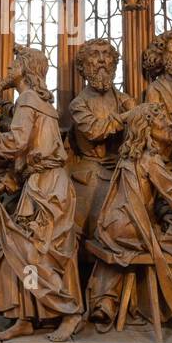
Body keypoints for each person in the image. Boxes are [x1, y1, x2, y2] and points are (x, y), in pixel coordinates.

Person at [0, 44, 83, 342]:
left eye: (14, 64)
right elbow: (30, 156)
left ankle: (70, 312)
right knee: (17, 250)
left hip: (47, 188)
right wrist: (4, 184)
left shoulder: (27, 99)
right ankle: (24, 316)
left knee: (37, 254)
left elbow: (16, 144)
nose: (9, 68)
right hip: (41, 184)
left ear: (25, 68)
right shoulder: (35, 101)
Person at [85, 103, 172, 330]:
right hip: (131, 230)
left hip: (111, 228)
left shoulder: (129, 155)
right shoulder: (150, 159)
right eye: (162, 120)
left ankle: (106, 301)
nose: (170, 124)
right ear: (148, 128)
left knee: (167, 232)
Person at [66, 39, 133, 237]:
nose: (102, 60)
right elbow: (95, 131)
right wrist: (128, 115)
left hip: (121, 167)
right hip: (90, 170)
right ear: (83, 65)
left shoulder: (123, 99)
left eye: (107, 55)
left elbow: (138, 132)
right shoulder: (78, 104)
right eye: (95, 55)